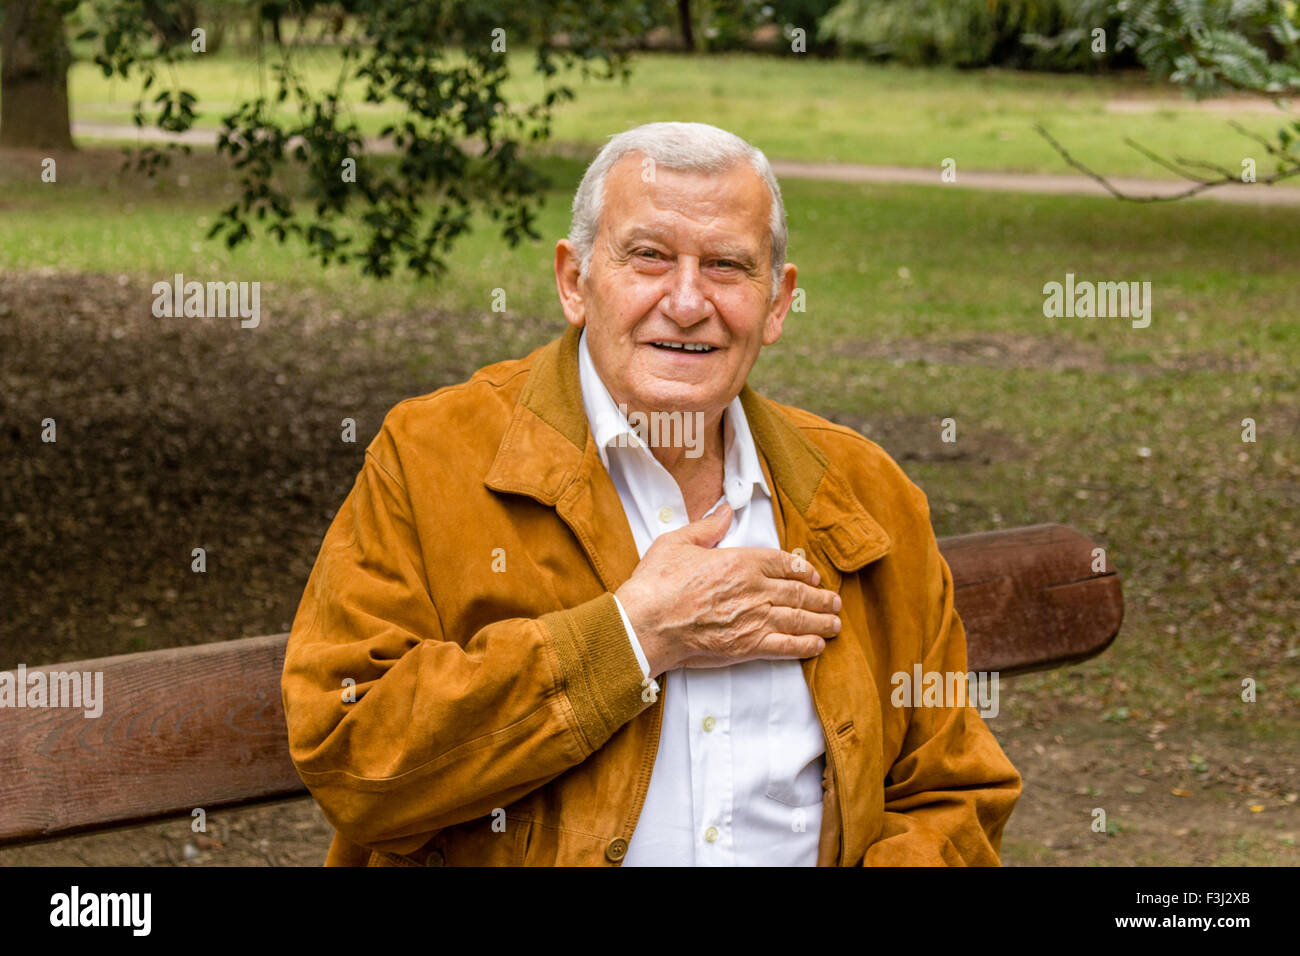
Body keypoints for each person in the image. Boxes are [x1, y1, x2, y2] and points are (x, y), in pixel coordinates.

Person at [280, 121, 1020, 867]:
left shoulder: (868, 493)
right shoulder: (432, 455)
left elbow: (950, 790)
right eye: (649, 257)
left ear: (776, 303)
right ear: (576, 281)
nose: (688, 300)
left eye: (727, 265)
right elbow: (353, 754)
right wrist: (636, 636)